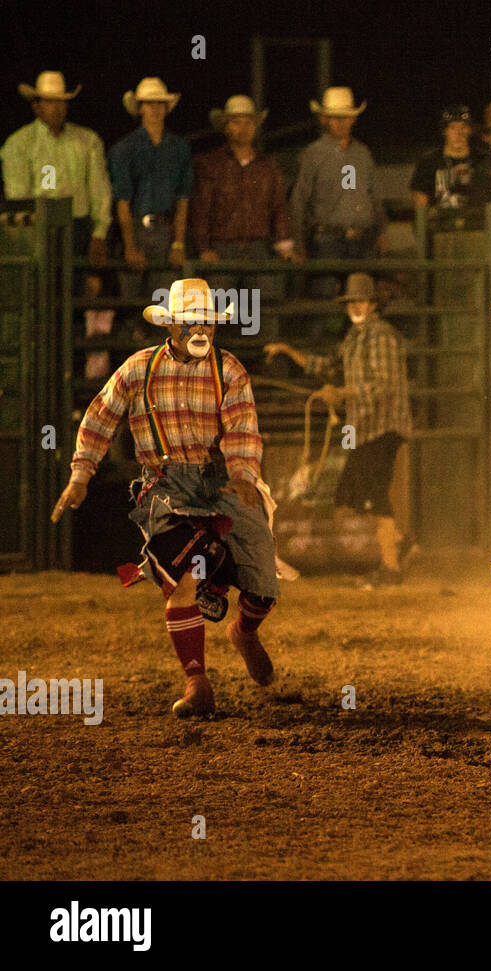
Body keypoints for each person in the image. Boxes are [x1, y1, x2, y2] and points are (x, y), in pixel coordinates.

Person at [50, 279, 280, 718]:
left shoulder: (228, 370)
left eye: (207, 324)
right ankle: (197, 681)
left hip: (222, 484)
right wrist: (80, 475)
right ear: (170, 325)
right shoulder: (139, 369)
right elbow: (99, 418)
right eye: (191, 323)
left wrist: (243, 474)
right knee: (181, 576)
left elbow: (243, 428)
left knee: (262, 580)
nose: (201, 332)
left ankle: (245, 632)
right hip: (167, 488)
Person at [263, 273, 414, 586]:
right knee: (363, 493)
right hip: (367, 427)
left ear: (373, 304)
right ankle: (399, 544)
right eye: (351, 302)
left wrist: (341, 394)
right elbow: (330, 365)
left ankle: (391, 565)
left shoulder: (381, 336)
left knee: (371, 494)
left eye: (360, 300)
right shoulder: (355, 337)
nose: (355, 306)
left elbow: (384, 385)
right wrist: (290, 352)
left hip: (383, 425)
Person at [3, 71, 113, 376]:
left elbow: (99, 189)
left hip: (77, 229)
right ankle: (49, 379)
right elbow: (18, 197)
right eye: (49, 103)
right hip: (38, 230)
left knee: (76, 307)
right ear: (37, 106)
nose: (56, 109)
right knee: (43, 307)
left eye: (60, 103)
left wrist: (99, 233)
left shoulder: (86, 140)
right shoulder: (18, 145)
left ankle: (72, 381)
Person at [191, 95, 296, 308]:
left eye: (249, 122)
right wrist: (204, 248)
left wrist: (284, 244)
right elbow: (201, 208)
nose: (244, 128)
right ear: (226, 127)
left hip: (259, 247)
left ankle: (265, 342)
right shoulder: (211, 164)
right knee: (217, 312)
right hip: (222, 248)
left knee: (265, 308)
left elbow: (278, 206)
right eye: (237, 122)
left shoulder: (267, 166)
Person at [290, 87, 387, 298]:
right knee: (324, 302)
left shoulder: (362, 153)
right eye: (335, 118)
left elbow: (374, 196)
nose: (341, 122)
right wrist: (299, 243)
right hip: (328, 240)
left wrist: (381, 232)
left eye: (345, 117)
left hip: (362, 240)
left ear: (353, 120)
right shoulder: (313, 154)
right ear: (325, 120)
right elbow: (299, 200)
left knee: (362, 300)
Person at [108, 78, 193, 302]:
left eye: (159, 104)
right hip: (136, 227)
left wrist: (178, 243)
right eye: (149, 103)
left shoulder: (179, 148)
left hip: (165, 230)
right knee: (132, 302)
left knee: (163, 305)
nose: (154, 109)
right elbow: (122, 201)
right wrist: (129, 246)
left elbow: (183, 199)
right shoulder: (124, 148)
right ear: (140, 108)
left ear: (166, 108)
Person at [410, 104, 477, 229]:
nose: (459, 133)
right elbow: (420, 204)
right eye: (453, 128)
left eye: (463, 127)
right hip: (440, 233)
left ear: (470, 130)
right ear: (444, 131)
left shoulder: (480, 160)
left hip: (476, 232)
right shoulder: (429, 162)